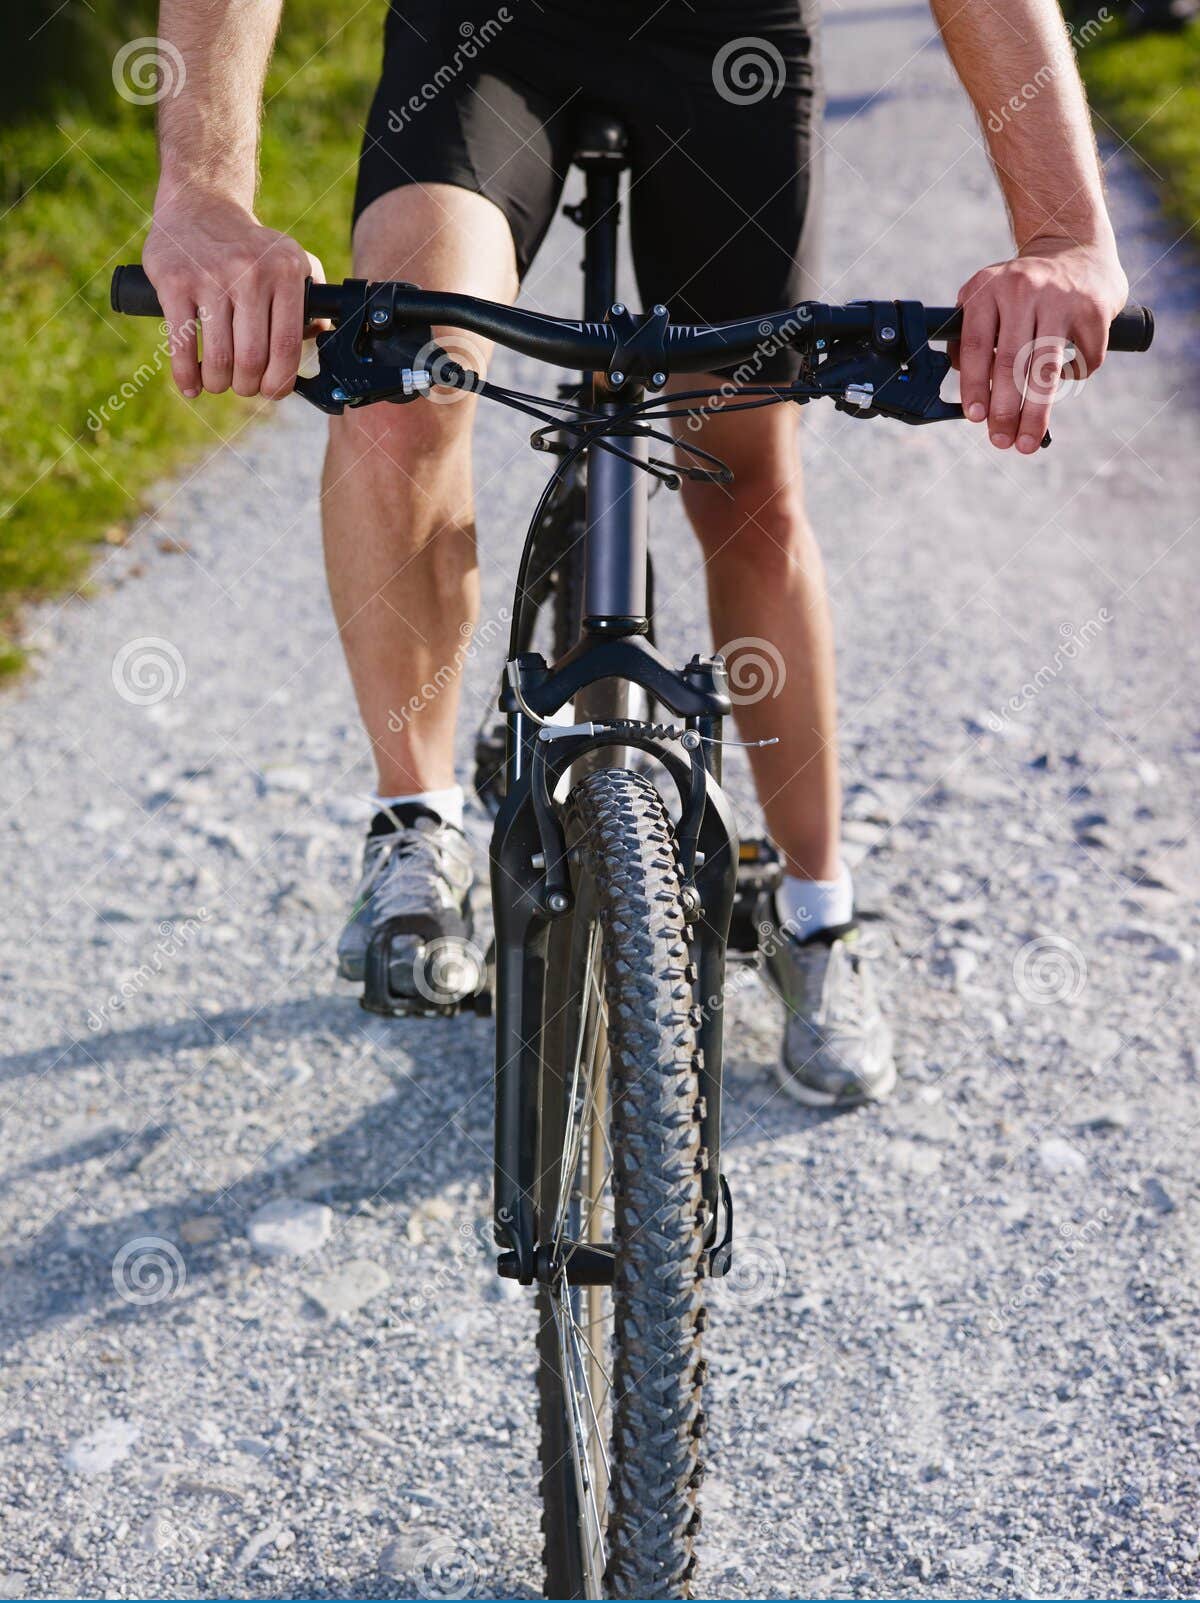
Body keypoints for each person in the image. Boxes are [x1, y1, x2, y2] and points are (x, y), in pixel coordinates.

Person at [142, 0, 1128, 1105]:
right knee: (397, 381)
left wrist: (1063, 236)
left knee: (746, 477)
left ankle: (816, 913)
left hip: (725, 49)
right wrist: (204, 198)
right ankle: (414, 825)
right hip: (482, 43)